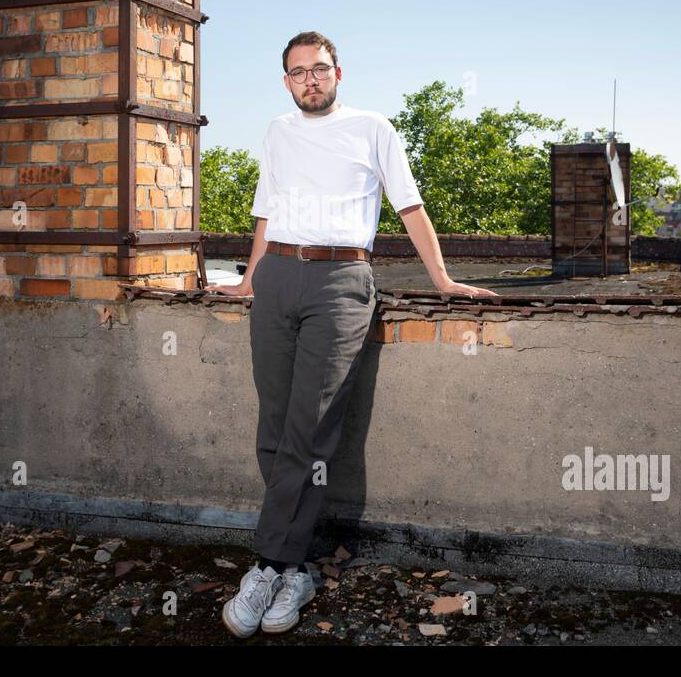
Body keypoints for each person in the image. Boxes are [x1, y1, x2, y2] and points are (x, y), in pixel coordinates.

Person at [207, 31, 498, 637]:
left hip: (341, 279)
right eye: (297, 73)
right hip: (278, 276)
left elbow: (409, 207)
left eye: (319, 69)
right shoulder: (277, 132)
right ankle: (295, 568)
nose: (309, 80)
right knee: (274, 422)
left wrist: (442, 280)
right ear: (286, 81)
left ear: (338, 72)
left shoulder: (373, 128)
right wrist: (247, 282)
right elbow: (265, 210)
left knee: (309, 428)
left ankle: (271, 565)